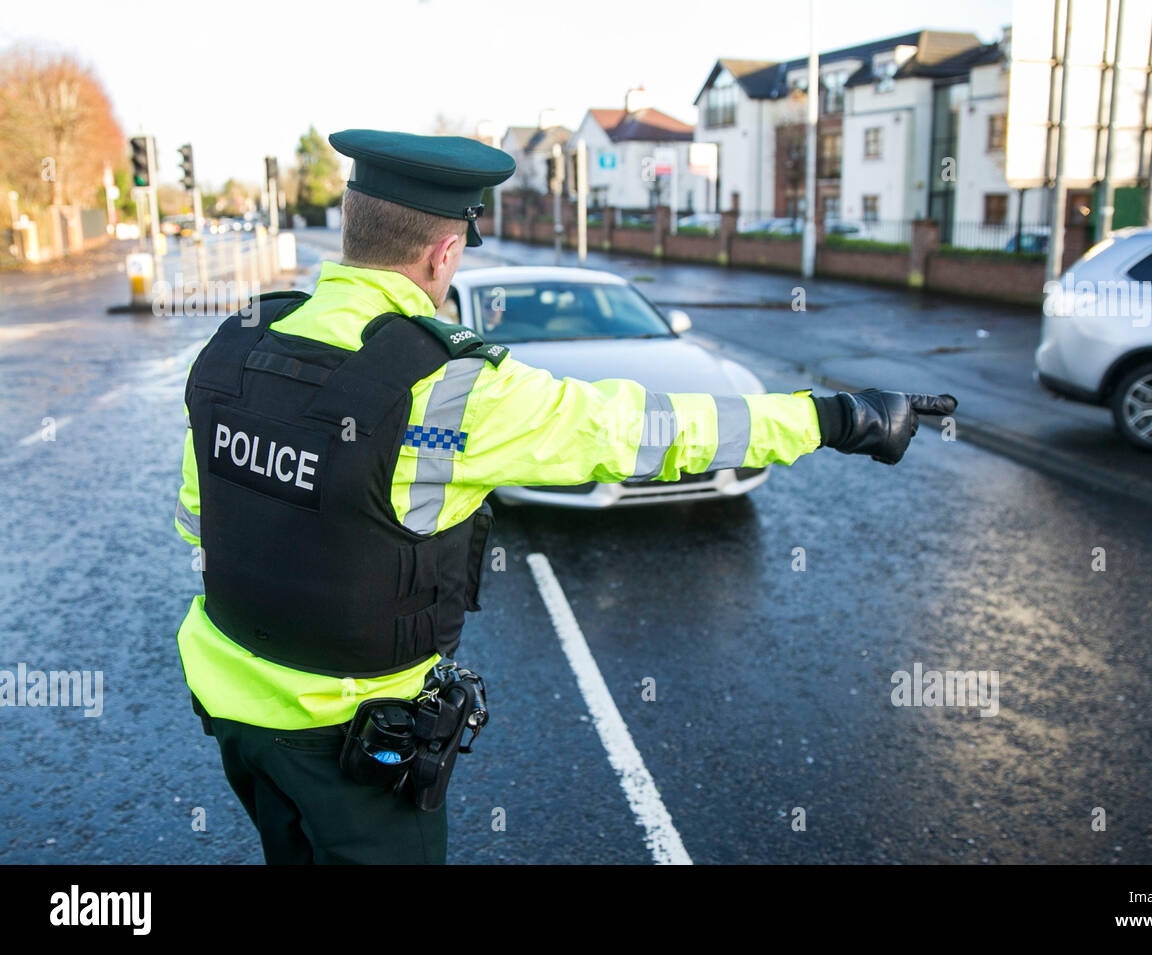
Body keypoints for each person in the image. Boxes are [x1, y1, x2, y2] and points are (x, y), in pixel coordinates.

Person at [172, 128, 957, 865]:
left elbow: (197, 520)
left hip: (235, 713)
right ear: (445, 251)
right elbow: (644, 430)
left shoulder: (238, 341)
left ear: (352, 230)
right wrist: (834, 416)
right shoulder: (449, 388)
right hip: (351, 741)